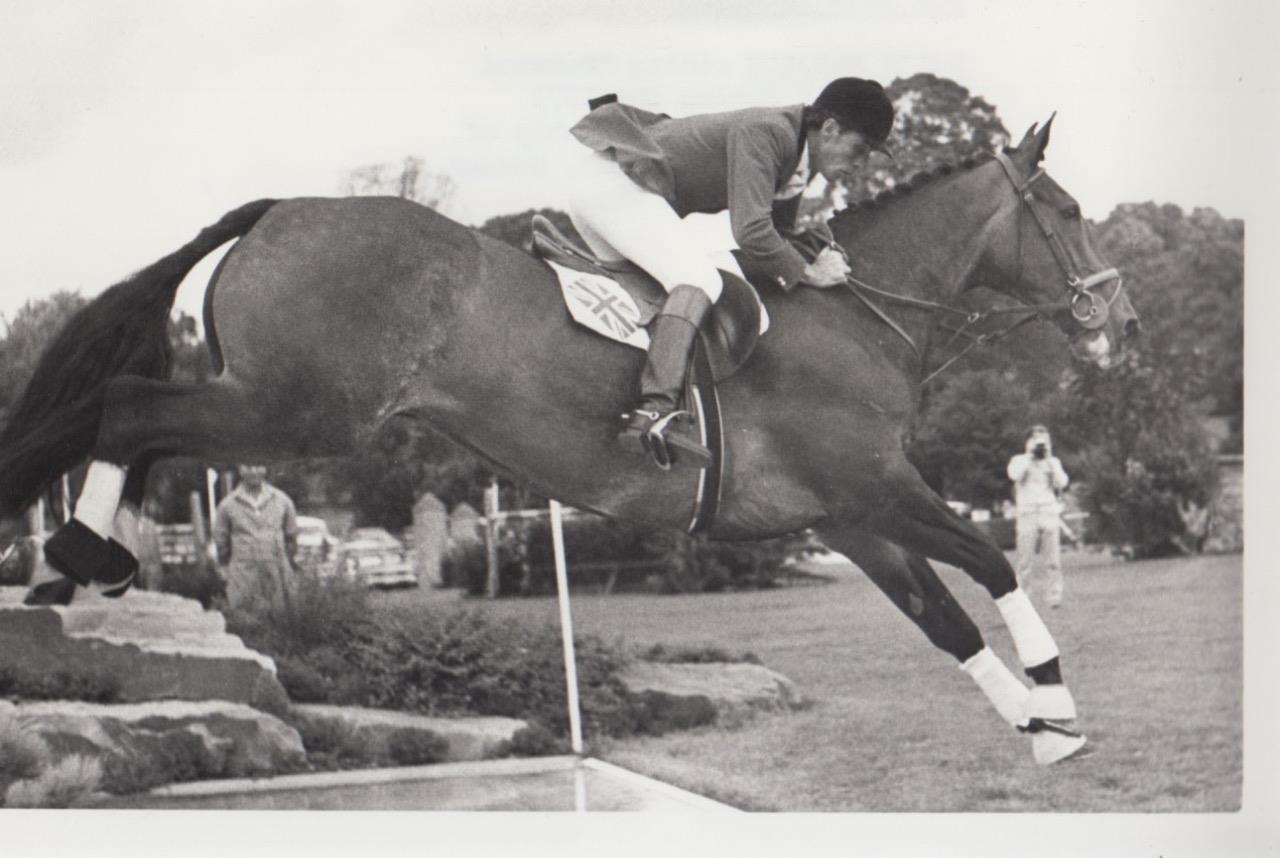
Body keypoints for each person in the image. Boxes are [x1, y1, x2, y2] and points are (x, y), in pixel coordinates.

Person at [567, 77, 895, 469]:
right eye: (860, 148)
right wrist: (810, 272)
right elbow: (752, 231)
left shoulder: (798, 158)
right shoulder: (769, 132)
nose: (860, 164)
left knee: (667, 290)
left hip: (618, 188)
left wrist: (820, 246)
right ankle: (654, 410)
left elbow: (779, 235)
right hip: (613, 184)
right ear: (830, 129)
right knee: (699, 279)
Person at [212, 464, 299, 611]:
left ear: (265, 467)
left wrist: (283, 562)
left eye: (258, 465)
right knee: (244, 616)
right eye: (247, 466)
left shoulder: (282, 500)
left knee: (279, 615)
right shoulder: (227, 505)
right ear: (240, 469)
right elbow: (221, 543)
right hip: (242, 574)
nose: (253, 471)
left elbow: (291, 538)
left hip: (277, 573)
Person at [1007, 425, 1070, 608]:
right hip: (1027, 512)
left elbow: (1062, 482)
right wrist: (1030, 456)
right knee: (1025, 560)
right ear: (1027, 441)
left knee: (1053, 559)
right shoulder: (1018, 460)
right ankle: (1023, 597)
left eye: (1044, 440)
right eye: (1035, 439)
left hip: (1048, 511)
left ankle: (1054, 597)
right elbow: (1014, 475)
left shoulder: (1053, 462)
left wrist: (1049, 461)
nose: (1040, 444)